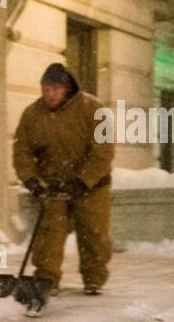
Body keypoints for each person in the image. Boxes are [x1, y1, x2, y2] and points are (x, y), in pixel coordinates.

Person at [11, 63, 114, 295]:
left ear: (66, 89)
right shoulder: (32, 114)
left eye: (54, 89)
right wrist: (31, 180)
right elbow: (22, 151)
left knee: (93, 233)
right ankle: (46, 279)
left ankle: (94, 277)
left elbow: (103, 150)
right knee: (49, 234)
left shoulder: (93, 109)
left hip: (91, 186)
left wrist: (83, 180)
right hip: (53, 184)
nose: (49, 94)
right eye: (45, 89)